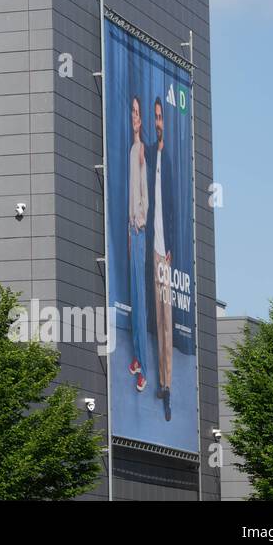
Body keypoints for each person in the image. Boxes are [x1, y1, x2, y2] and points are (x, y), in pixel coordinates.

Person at [145, 97, 176, 421]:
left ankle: (168, 383)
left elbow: (173, 207)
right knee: (158, 319)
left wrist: (173, 250)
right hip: (152, 248)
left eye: (159, 117)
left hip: (165, 251)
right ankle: (162, 382)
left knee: (168, 321)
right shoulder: (150, 153)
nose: (156, 122)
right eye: (154, 117)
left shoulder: (167, 160)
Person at [127, 96, 149, 393]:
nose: (134, 116)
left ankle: (142, 369)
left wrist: (138, 221)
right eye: (131, 111)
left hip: (139, 230)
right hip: (133, 230)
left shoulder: (141, 150)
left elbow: (144, 194)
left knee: (140, 303)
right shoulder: (133, 149)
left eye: (137, 112)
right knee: (134, 300)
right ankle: (136, 358)